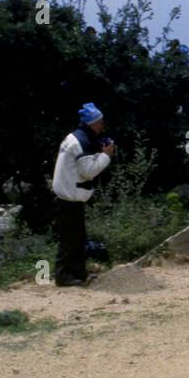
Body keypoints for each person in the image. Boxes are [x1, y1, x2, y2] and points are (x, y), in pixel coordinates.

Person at [51, 103, 114, 287]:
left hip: (69, 197)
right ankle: (63, 276)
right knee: (70, 240)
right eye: (100, 122)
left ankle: (79, 273)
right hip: (69, 199)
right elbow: (88, 171)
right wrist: (106, 156)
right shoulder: (81, 142)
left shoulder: (75, 137)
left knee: (78, 238)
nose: (103, 125)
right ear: (93, 123)